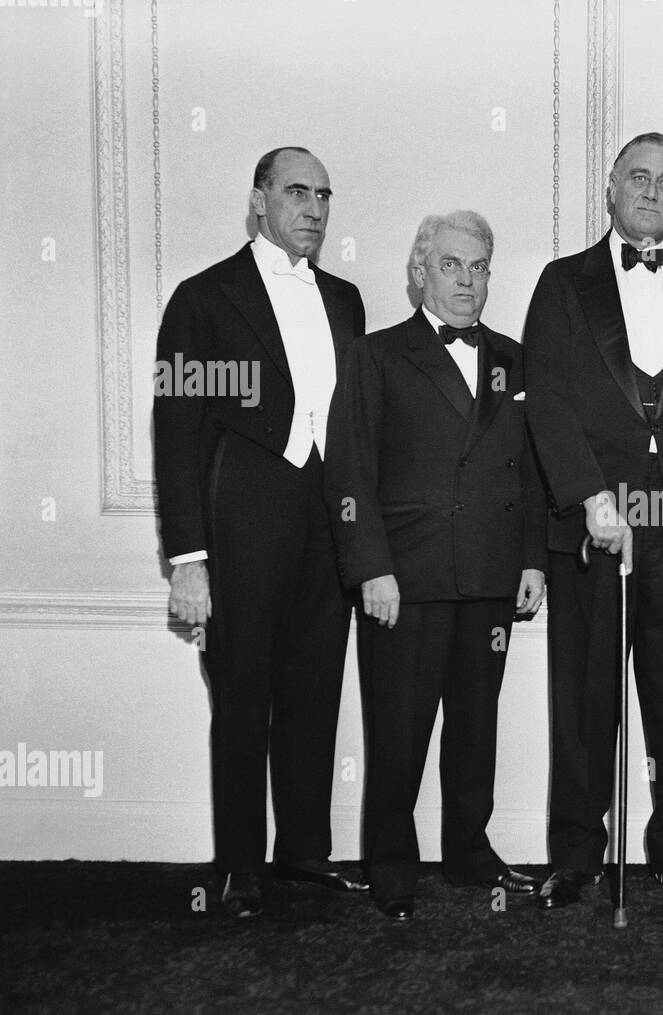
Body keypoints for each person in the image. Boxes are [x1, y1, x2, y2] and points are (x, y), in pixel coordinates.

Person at [523, 132, 663, 908]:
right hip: (595, 527)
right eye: (638, 178)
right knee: (586, 698)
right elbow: (544, 400)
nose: (651, 192)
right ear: (611, 186)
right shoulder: (561, 283)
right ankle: (578, 854)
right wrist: (589, 496)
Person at [153, 147, 368, 918]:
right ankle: (240, 864)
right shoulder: (202, 298)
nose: (313, 208)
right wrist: (188, 557)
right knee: (242, 699)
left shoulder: (346, 300)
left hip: (326, 526)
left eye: (324, 196)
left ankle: (305, 851)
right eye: (297, 192)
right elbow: (174, 430)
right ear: (259, 200)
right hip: (241, 523)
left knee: (314, 692)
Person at [324, 212, 546, 921]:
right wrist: (370, 569)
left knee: (476, 726)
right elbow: (350, 473)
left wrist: (533, 561)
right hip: (406, 583)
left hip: (489, 579)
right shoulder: (376, 355)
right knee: (398, 730)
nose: (468, 281)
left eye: (479, 267)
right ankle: (391, 863)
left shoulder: (514, 358)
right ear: (420, 270)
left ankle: (468, 849)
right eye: (452, 265)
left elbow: (533, 474)